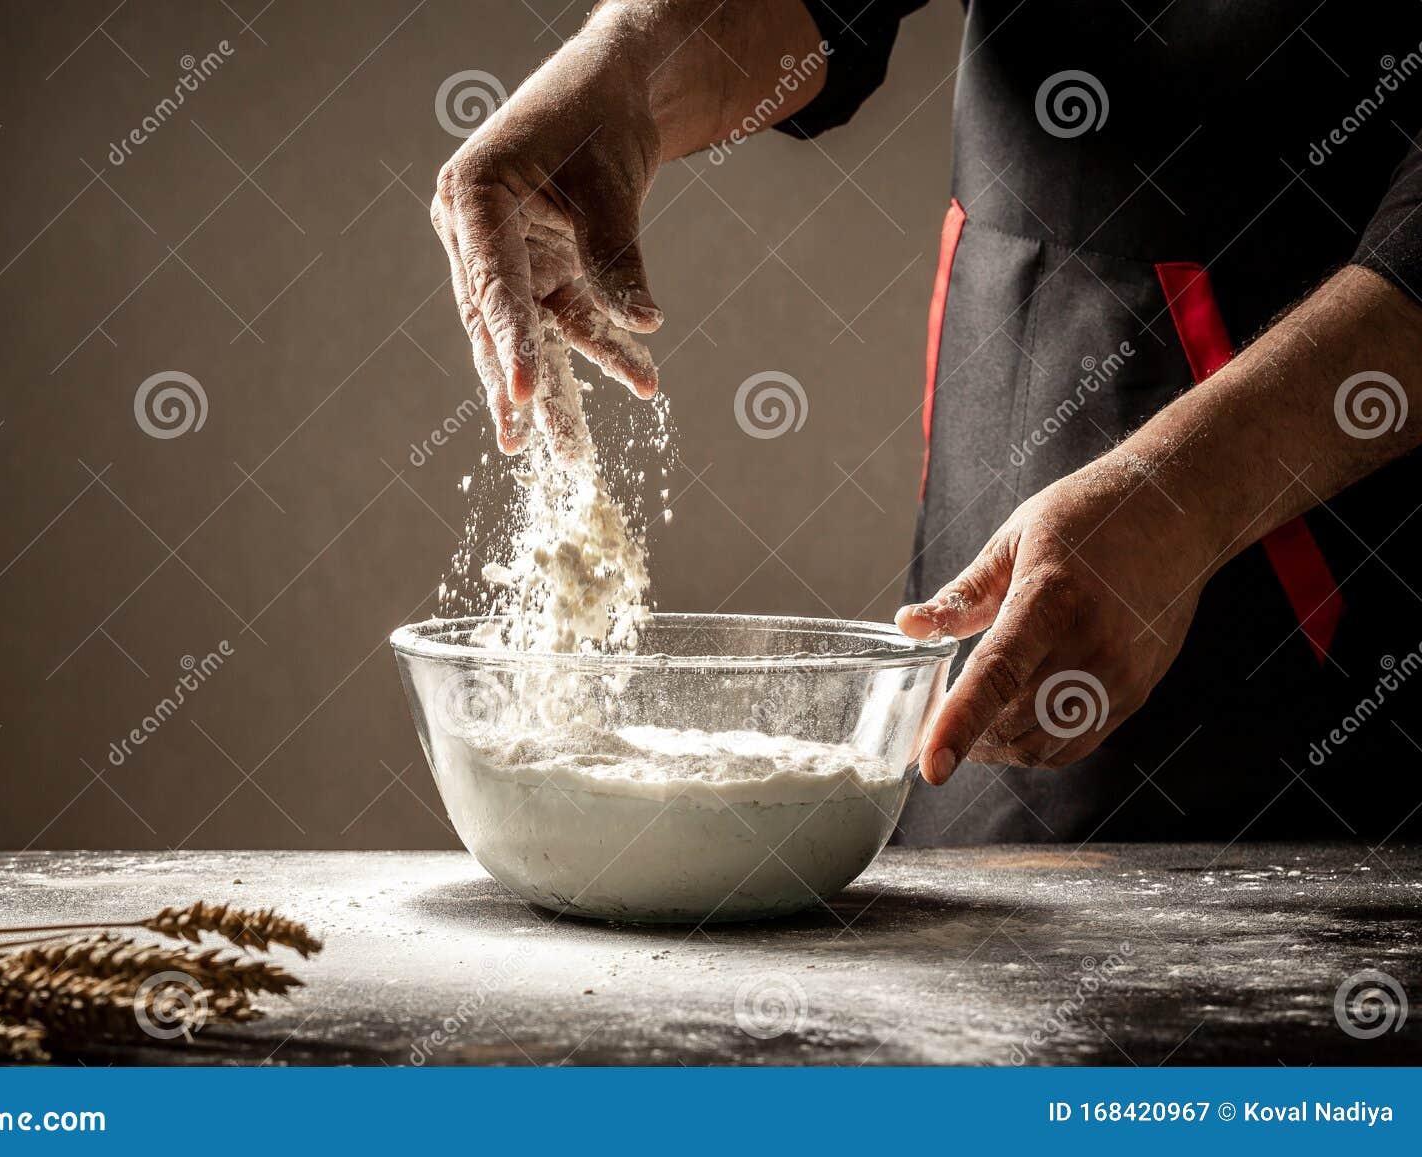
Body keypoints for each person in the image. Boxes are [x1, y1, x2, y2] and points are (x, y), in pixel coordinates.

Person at [429, 0, 1422, 844]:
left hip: (1344, 523)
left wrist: (1185, 494)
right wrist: (625, 73)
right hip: (1016, 416)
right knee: (978, 975)